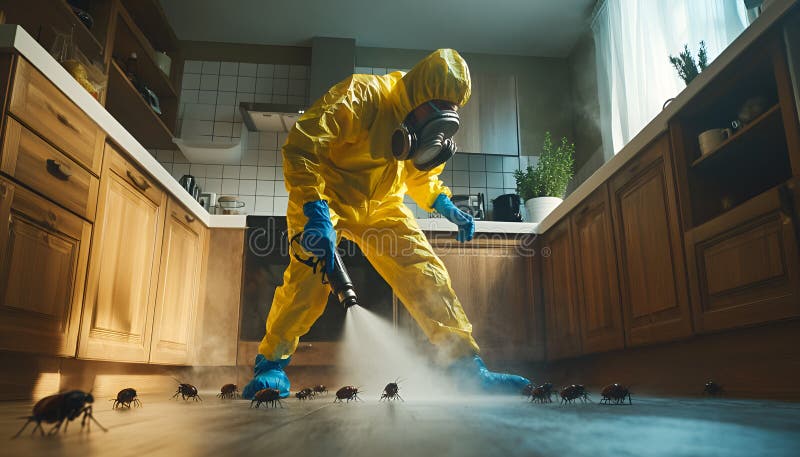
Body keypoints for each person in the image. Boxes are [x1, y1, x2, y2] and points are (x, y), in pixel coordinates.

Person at [242, 49, 530, 399]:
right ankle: (271, 364)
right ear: (415, 94)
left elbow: (420, 175)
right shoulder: (362, 95)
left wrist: (442, 202)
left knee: (426, 273)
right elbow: (303, 146)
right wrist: (314, 209)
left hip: (382, 205)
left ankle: (466, 368)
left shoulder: (419, 129)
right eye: (434, 106)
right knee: (308, 280)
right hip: (325, 194)